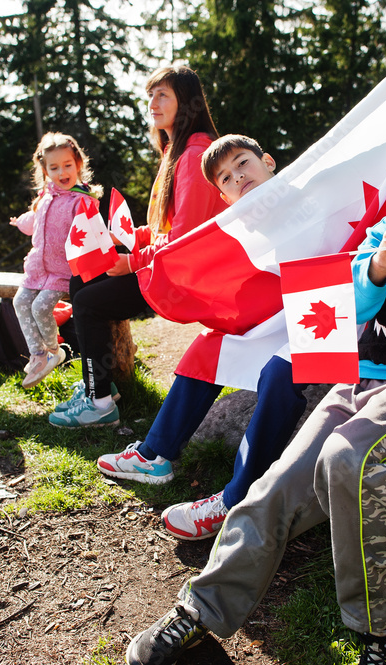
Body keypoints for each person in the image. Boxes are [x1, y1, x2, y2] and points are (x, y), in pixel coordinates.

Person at [124, 103, 386, 665]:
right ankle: (201, 610)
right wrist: (379, 266)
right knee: (273, 487)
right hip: (358, 383)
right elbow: (346, 303)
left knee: (348, 460)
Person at [96, 134, 306, 542]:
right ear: (224, 197)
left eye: (243, 163)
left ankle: (239, 497)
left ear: (269, 161)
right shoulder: (242, 222)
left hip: (330, 313)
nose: (238, 177)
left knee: (281, 377)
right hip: (278, 319)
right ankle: (156, 454)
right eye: (226, 178)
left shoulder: (308, 196)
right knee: (211, 346)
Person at [49, 65, 228, 428]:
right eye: (151, 95)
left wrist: (133, 261)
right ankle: (98, 386)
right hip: (168, 264)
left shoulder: (194, 155)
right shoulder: (177, 151)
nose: (152, 103)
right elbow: (171, 226)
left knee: (87, 302)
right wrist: (125, 237)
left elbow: (186, 240)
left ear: (187, 103)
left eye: (162, 95)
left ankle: (99, 405)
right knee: (83, 279)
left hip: (184, 277)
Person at [9, 132, 98, 389]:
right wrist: (20, 222)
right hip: (37, 269)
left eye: (67, 165)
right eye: (54, 167)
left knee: (40, 307)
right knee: (20, 301)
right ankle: (38, 354)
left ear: (78, 164)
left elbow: (91, 231)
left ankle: (53, 350)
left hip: (62, 271)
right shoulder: (45, 197)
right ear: (46, 170)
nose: (62, 172)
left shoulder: (81, 200)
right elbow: (34, 220)